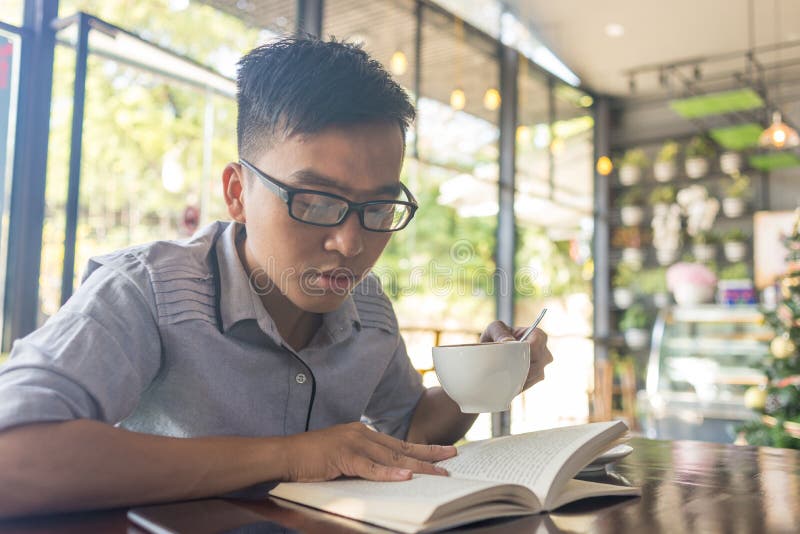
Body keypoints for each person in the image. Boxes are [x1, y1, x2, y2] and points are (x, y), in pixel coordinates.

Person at [0, 36, 553, 518]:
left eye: (380, 207)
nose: (351, 243)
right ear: (238, 193)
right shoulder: (146, 290)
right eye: (314, 201)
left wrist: (489, 377)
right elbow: (14, 456)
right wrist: (294, 454)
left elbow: (404, 434)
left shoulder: (368, 307)